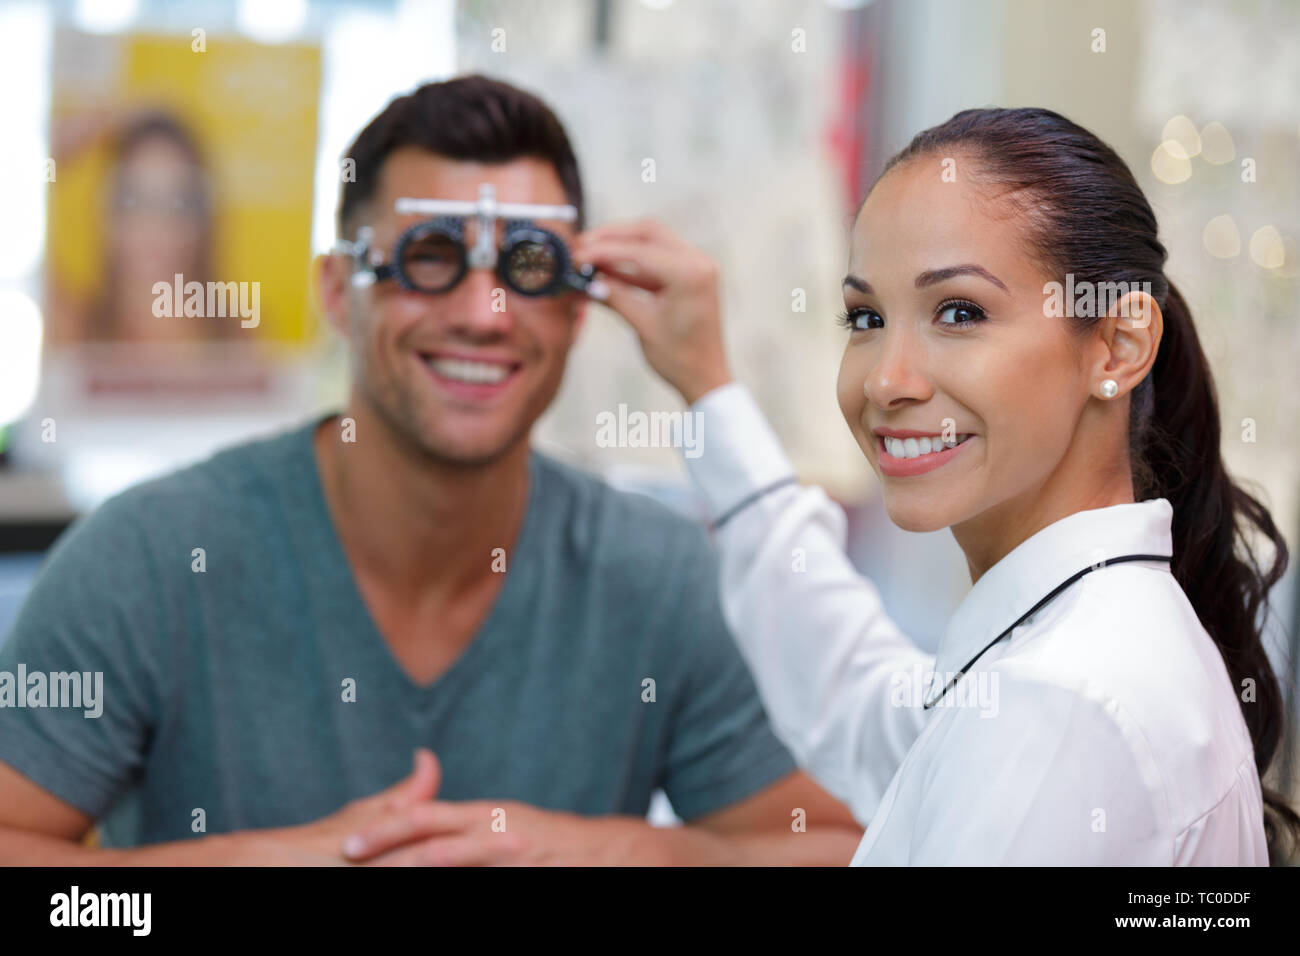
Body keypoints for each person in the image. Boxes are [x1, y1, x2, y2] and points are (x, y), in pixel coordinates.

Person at [0, 75, 861, 865]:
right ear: (339, 292)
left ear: (576, 308)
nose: (484, 314)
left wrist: (610, 854)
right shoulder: (147, 559)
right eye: (429, 259)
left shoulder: (656, 575)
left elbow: (831, 846)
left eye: (528, 266)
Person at [575, 107, 1300, 865]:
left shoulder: (1058, 706)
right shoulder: (1058, 661)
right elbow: (859, 702)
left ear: (1117, 346)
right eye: (865, 317)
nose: (886, 380)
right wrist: (706, 384)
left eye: (960, 311)